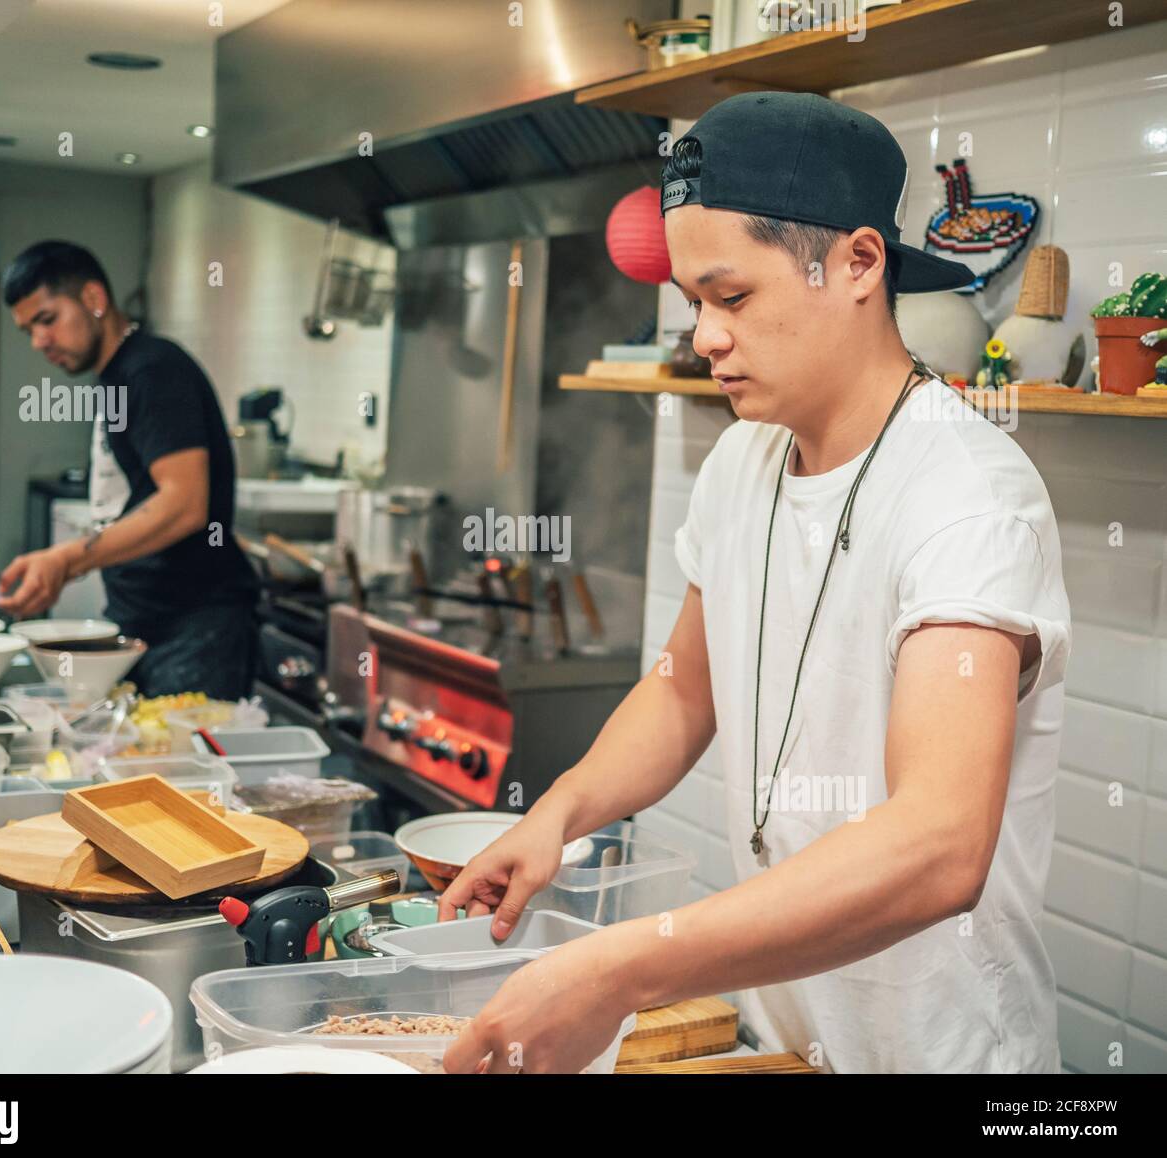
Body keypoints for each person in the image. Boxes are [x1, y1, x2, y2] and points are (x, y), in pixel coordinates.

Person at [437, 92, 1071, 1074]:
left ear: (859, 264)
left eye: (730, 299)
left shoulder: (968, 497)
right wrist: (554, 818)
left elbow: (940, 842)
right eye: (694, 302)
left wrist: (621, 968)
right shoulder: (744, 461)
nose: (703, 335)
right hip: (796, 1037)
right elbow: (682, 688)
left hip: (946, 1056)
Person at [0, 241, 260, 699]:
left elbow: (185, 505)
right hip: (146, 618)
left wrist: (67, 558)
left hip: (194, 628)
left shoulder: (152, 371)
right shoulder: (121, 375)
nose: (40, 342)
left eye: (47, 319)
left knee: (182, 768)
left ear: (94, 300)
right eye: (29, 331)